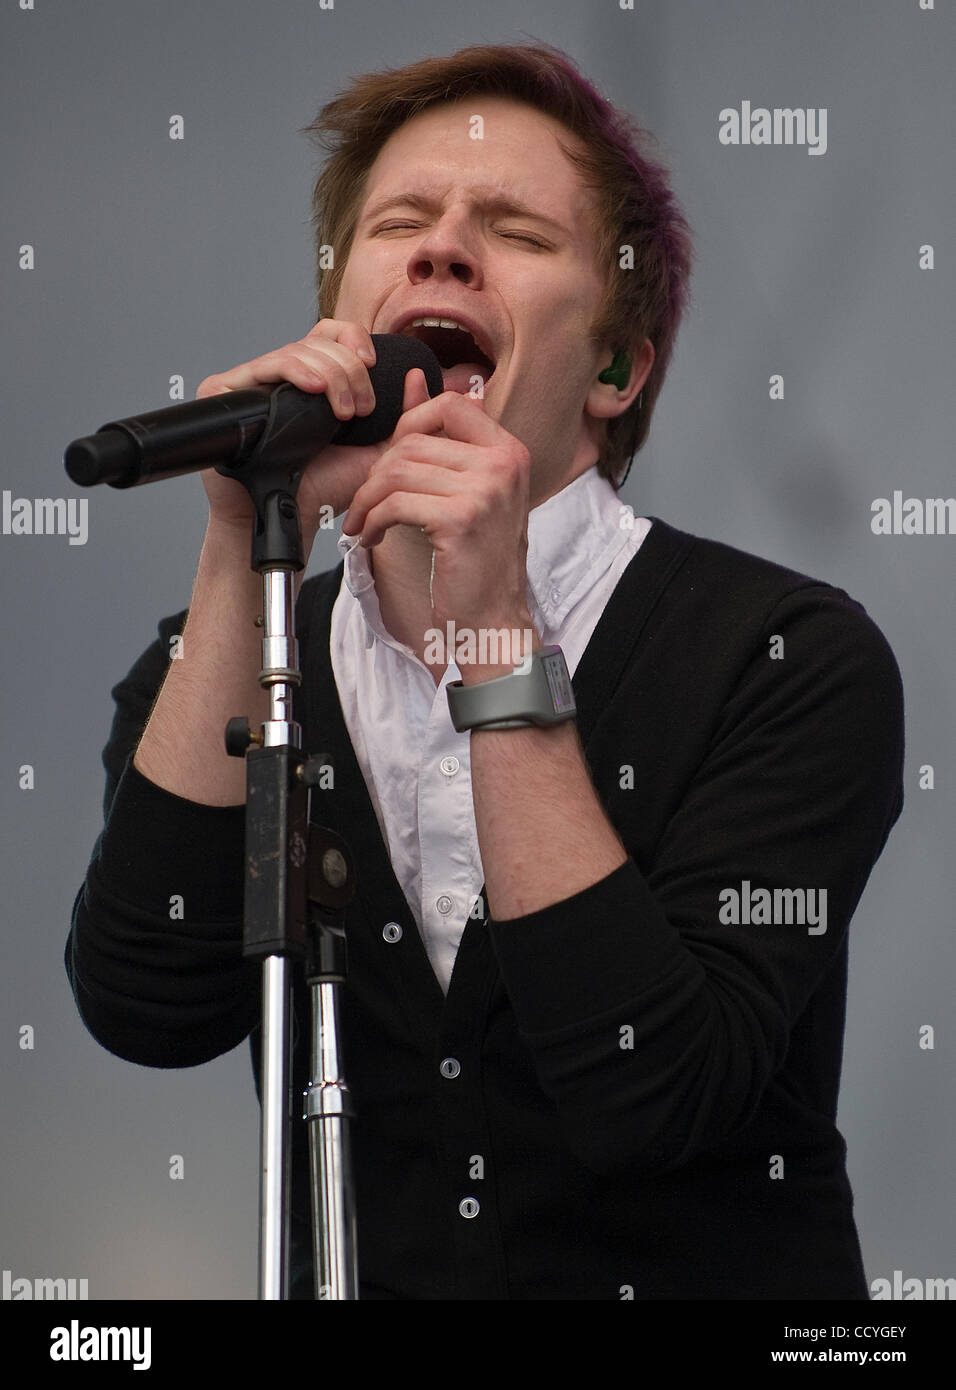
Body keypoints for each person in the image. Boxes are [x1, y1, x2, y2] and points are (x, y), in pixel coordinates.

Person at [66, 43, 904, 1300]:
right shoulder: (234, 659)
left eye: (509, 230)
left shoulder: (783, 655)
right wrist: (239, 541)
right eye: (399, 222)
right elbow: (146, 1005)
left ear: (616, 369)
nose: (442, 248)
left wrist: (498, 632)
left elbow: (652, 1088)